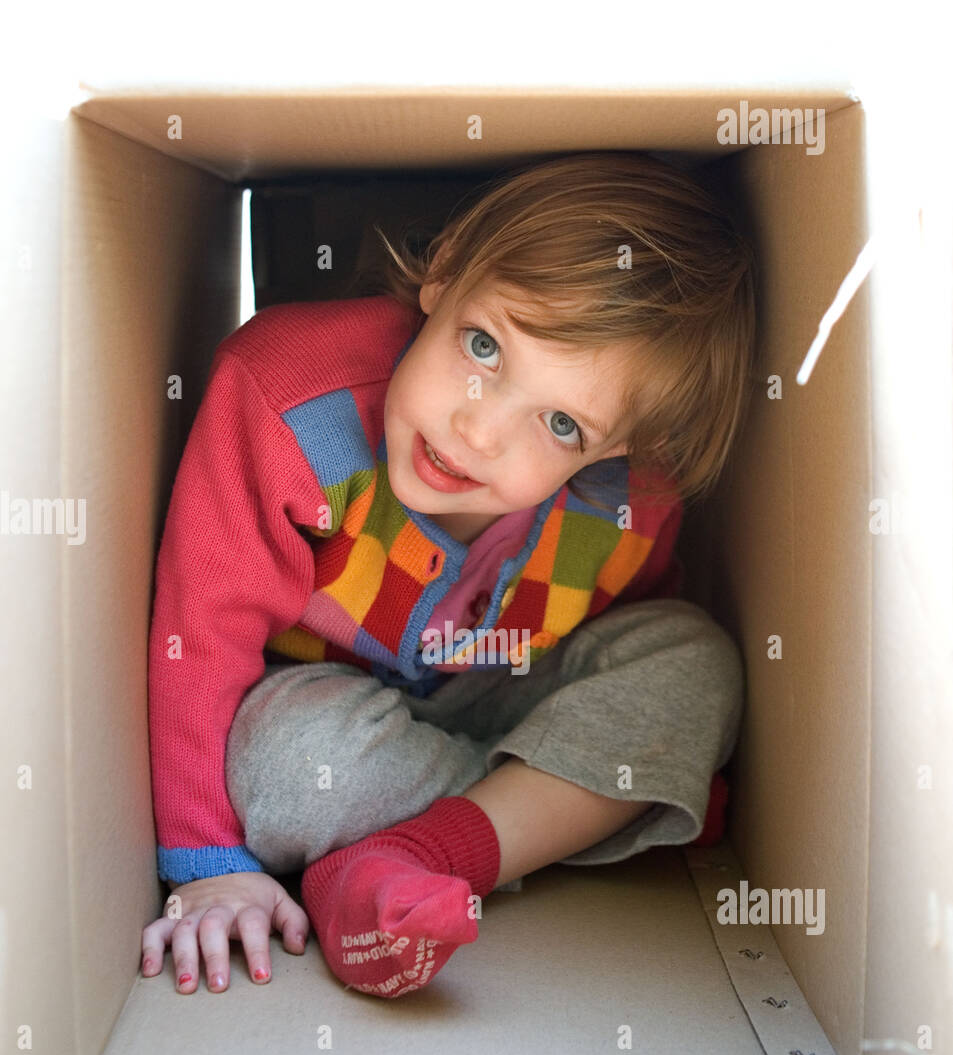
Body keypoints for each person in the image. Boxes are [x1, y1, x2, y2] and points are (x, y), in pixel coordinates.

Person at [141, 150, 757, 999]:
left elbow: (627, 646)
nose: (478, 430)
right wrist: (204, 860)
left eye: (560, 423)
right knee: (287, 769)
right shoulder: (285, 396)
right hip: (326, 707)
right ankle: (554, 817)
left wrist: (645, 730)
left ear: (619, 450)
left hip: (500, 688)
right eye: (483, 347)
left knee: (694, 660)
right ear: (443, 272)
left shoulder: (628, 503)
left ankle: (408, 856)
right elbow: (198, 627)